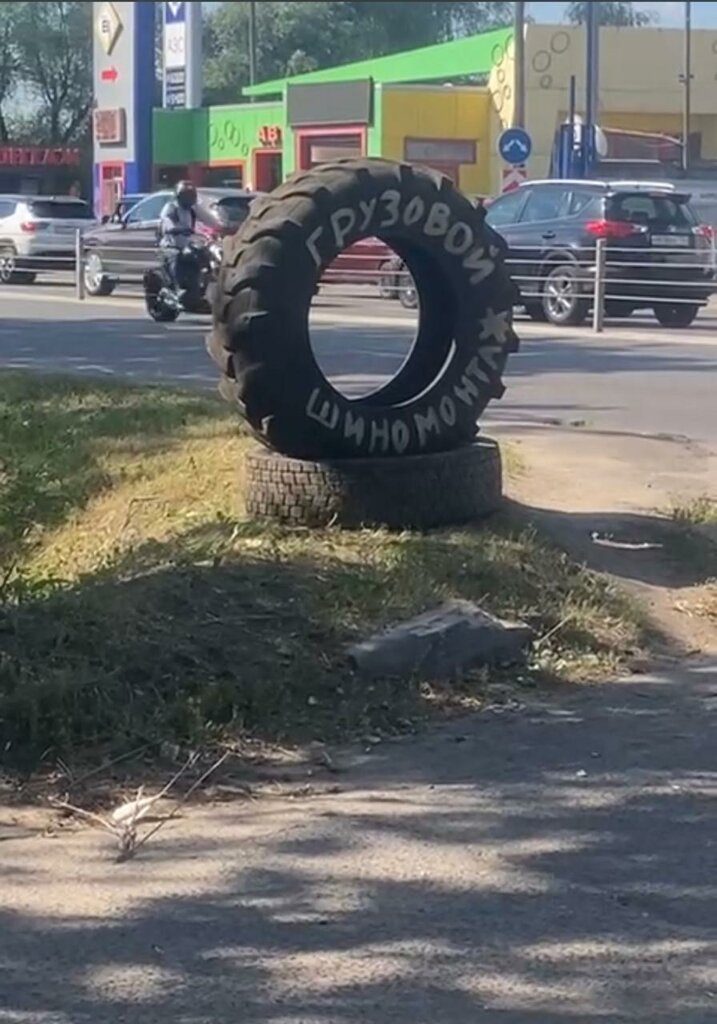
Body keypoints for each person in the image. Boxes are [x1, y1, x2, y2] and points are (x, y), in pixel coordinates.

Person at [159, 180, 201, 293]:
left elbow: (205, 223)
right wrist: (178, 229)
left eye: (191, 196)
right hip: (171, 245)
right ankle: (178, 287)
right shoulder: (171, 208)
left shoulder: (192, 211)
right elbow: (168, 224)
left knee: (201, 256)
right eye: (186, 196)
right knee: (176, 257)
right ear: (179, 196)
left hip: (186, 246)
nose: (189, 198)